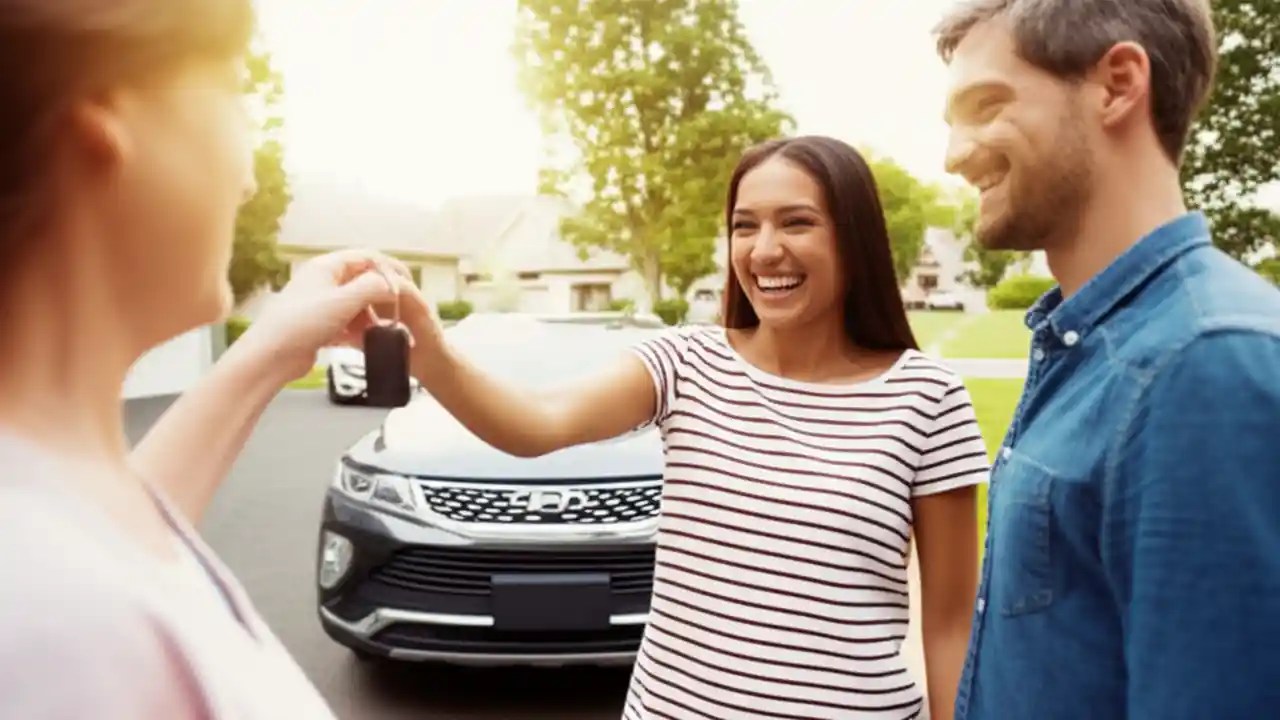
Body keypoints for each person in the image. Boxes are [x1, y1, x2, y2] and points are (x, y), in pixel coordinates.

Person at [397, 135, 990, 720]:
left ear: (854, 238)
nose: (764, 250)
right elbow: (536, 424)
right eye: (744, 226)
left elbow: (950, 626)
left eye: (797, 223)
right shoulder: (684, 364)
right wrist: (428, 352)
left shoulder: (927, 396)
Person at [0, 1, 414, 717]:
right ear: (110, 110)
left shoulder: (49, 533)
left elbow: (122, 542)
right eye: (233, 89)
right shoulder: (54, 633)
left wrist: (272, 349)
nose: (249, 178)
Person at [933, 1, 1280, 718]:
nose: (955, 155)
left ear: (1118, 84)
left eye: (987, 105)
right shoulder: (1094, 340)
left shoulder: (1204, 365)